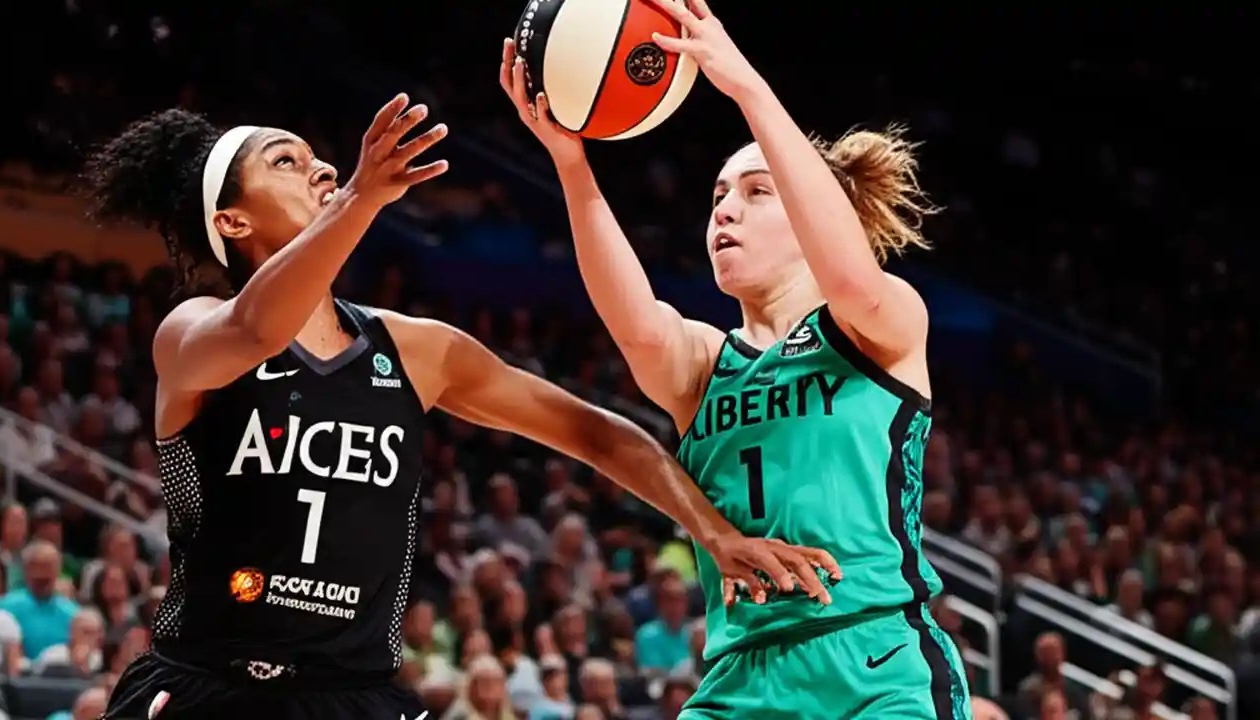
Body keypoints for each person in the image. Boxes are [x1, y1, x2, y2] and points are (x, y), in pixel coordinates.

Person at [83, 94, 838, 719]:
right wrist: (361, 198)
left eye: (317, 157)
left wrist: (713, 531)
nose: (321, 167)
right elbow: (258, 328)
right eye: (284, 161)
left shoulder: (417, 351)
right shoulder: (190, 333)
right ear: (232, 222)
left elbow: (594, 432)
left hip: (357, 696)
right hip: (211, 688)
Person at [500, 0, 971, 716]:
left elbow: (848, 280)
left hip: (875, 660)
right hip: (740, 674)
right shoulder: (703, 364)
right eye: (719, 195)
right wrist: (572, 164)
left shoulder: (884, 323)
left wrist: (746, 87)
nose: (723, 210)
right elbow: (637, 327)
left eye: (756, 193)